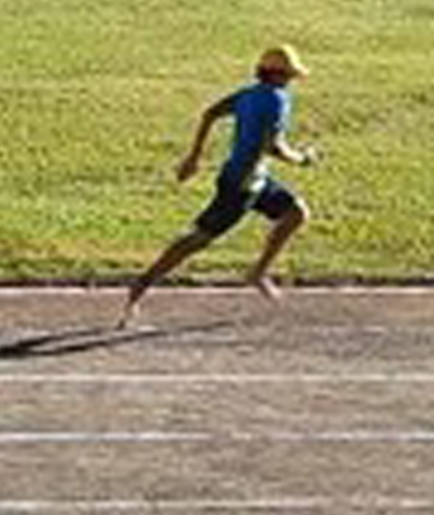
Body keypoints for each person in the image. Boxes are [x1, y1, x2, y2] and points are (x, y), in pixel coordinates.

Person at [123, 43, 317, 319]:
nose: (290, 80)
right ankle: (142, 284)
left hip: (253, 179)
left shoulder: (248, 94)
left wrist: (193, 158)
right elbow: (273, 147)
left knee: (296, 213)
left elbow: (210, 114)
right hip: (241, 186)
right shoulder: (276, 100)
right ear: (276, 74)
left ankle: (257, 273)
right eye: (288, 75)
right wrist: (302, 158)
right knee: (197, 239)